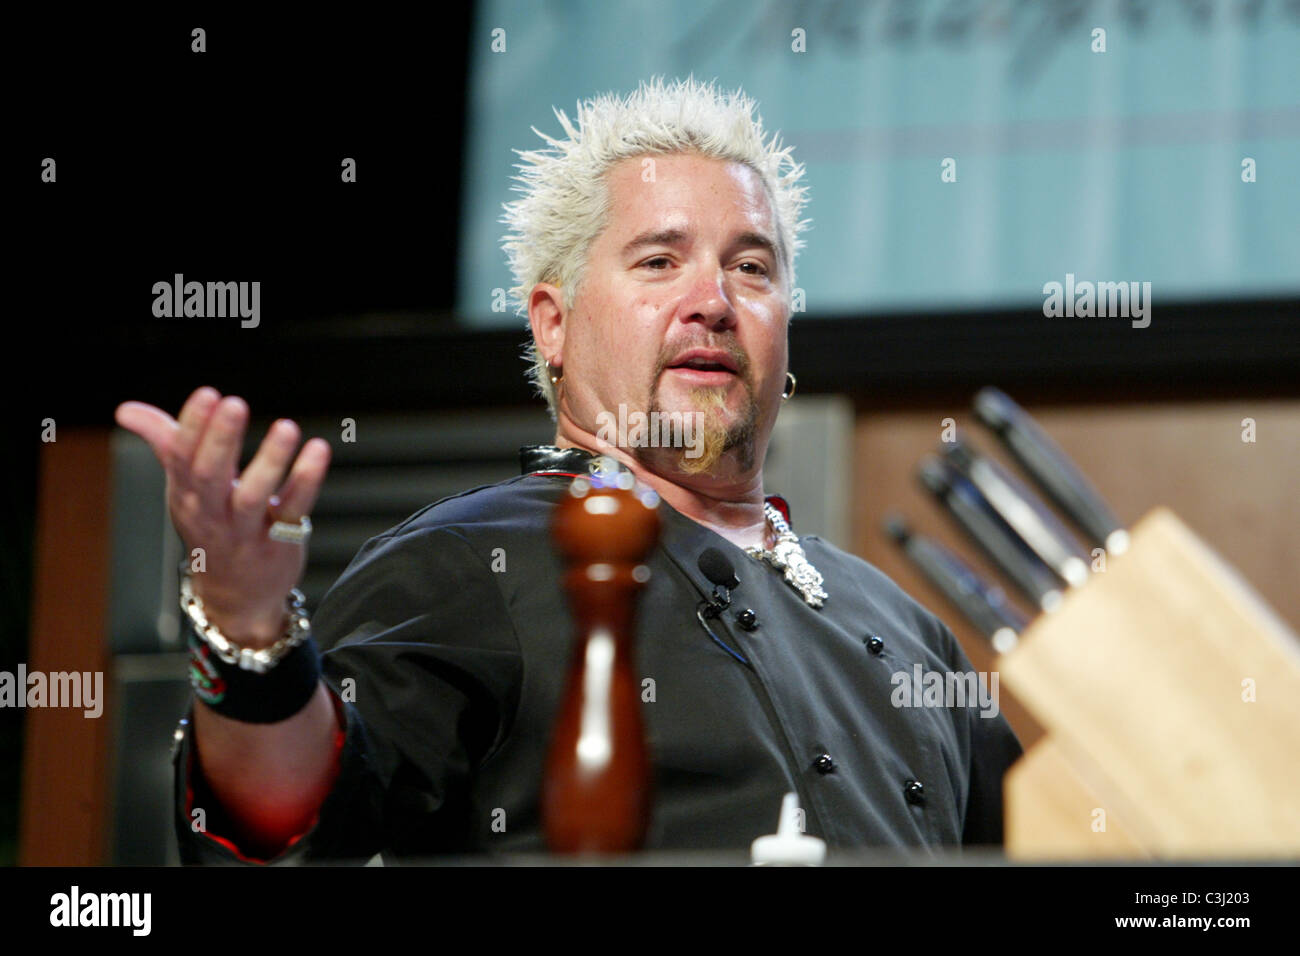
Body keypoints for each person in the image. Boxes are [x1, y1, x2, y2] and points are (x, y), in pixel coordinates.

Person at [115, 77, 1022, 864]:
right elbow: (286, 825)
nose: (710, 302)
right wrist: (247, 633)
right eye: (659, 261)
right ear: (553, 322)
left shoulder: (903, 626)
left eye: (751, 267)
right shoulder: (469, 560)